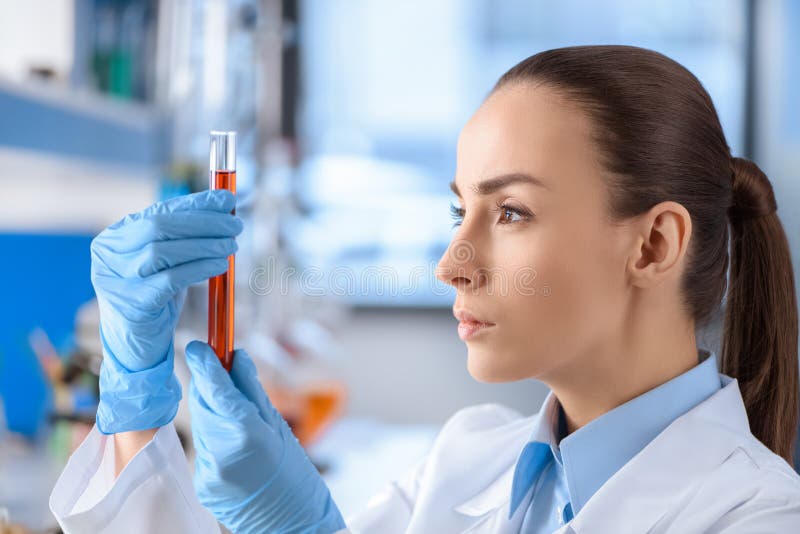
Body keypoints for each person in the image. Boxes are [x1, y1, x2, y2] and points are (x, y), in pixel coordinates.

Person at [50, 45, 800, 533]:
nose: (451, 263)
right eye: (458, 210)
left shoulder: (757, 516)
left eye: (510, 211)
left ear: (654, 244)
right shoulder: (466, 462)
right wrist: (136, 404)